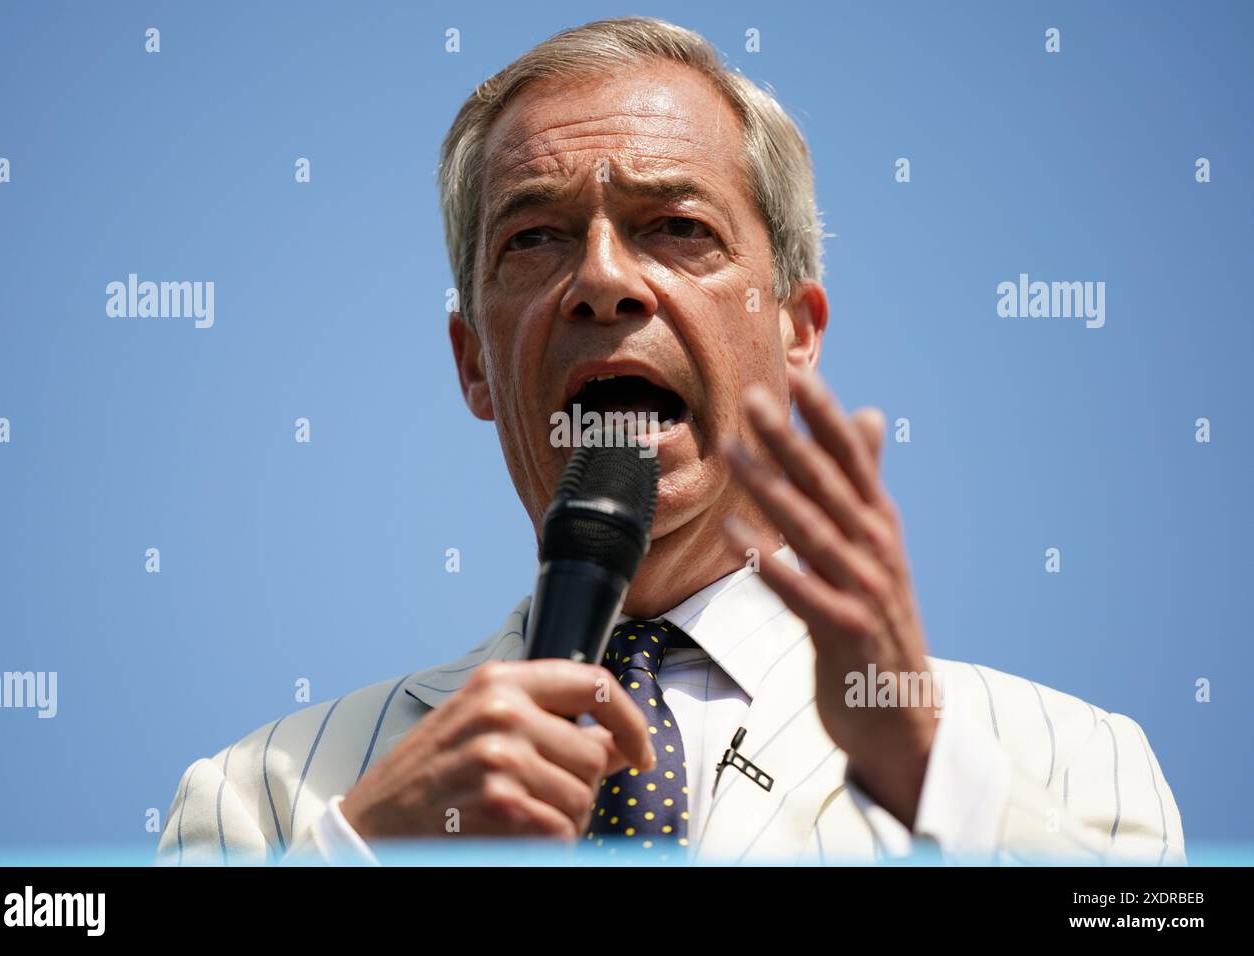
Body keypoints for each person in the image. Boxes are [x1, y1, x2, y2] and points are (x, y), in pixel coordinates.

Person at [157, 17, 1183, 866]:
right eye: (536, 237)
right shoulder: (266, 798)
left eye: (676, 226)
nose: (603, 279)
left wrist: (919, 765)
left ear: (796, 328)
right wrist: (368, 850)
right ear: (473, 362)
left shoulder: (1070, 760)